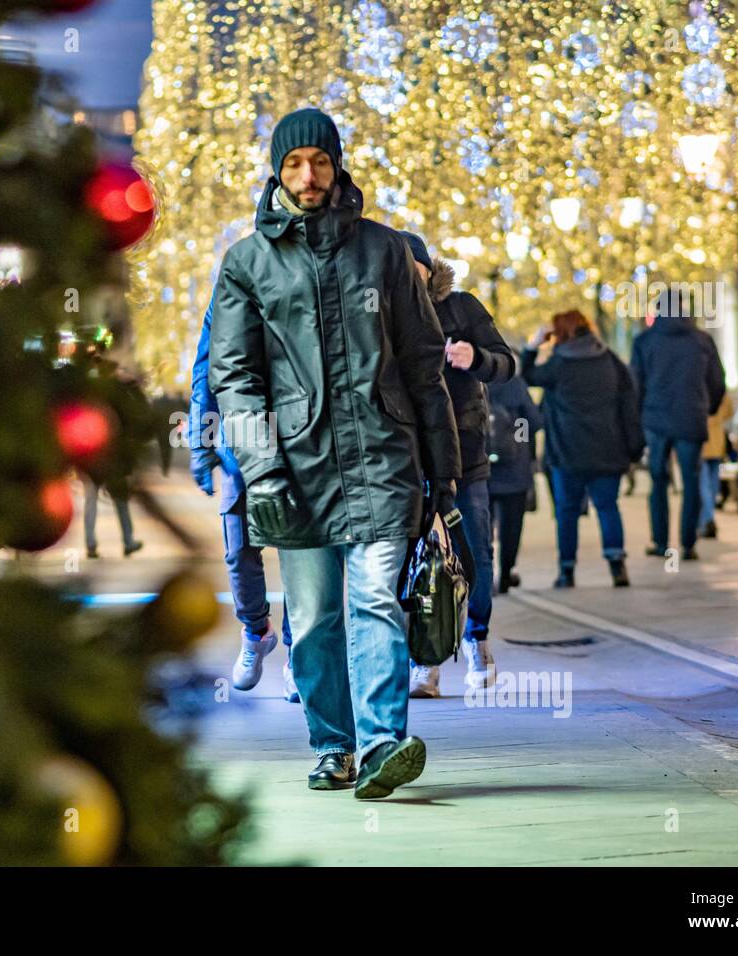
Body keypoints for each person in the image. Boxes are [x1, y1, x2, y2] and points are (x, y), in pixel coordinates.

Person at [209, 108, 460, 798]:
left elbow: (424, 363)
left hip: (383, 457)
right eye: (294, 164)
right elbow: (236, 377)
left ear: (337, 165)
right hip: (293, 468)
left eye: (319, 161)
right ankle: (333, 745)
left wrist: (446, 473)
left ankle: (383, 743)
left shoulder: (384, 252)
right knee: (315, 617)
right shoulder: (247, 263)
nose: (308, 175)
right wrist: (259, 470)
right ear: (277, 172)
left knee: (378, 597)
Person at [400, 239, 514, 697]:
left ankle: (477, 641)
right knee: (411, 562)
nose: (408, 276)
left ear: (429, 269)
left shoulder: (462, 307)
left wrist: (477, 358)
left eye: (414, 267)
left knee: (473, 553)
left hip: (465, 457)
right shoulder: (386, 313)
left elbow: (507, 365)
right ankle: (424, 659)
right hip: (407, 460)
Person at [190, 295, 297, 703]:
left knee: (298, 553)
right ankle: (256, 633)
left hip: (296, 444)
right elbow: (204, 372)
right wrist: (201, 445)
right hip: (240, 444)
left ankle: (298, 656)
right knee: (238, 550)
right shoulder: (228, 295)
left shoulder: (300, 278)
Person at [523, 310, 643, 588]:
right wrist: (633, 447)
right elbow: (629, 405)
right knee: (607, 506)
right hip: (609, 449)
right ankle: (617, 565)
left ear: (560, 334)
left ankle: (567, 571)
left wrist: (533, 345)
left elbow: (527, 376)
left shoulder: (558, 365)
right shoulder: (610, 360)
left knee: (567, 512)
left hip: (567, 452)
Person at [629, 291, 726, 562]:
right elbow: (717, 381)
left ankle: (661, 542)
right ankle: (688, 543)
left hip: (656, 419)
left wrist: (638, 417)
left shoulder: (644, 341)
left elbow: (635, 383)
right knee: (691, 479)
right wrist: (708, 408)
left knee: (658, 480)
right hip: (691, 417)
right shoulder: (702, 341)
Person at [66, 329, 146, 559]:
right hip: (112, 452)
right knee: (120, 498)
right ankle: (128, 541)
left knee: (91, 498)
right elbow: (128, 417)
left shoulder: (83, 385)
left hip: (90, 449)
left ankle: (91, 543)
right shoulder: (116, 384)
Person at [485, 362, 542, 593]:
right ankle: (506, 573)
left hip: (480, 471)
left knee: (481, 527)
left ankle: (483, 573)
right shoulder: (515, 385)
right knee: (511, 526)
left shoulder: (473, 382)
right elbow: (534, 422)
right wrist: (518, 436)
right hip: (514, 472)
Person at [699, 393, 734, 539]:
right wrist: (716, 419)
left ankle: (707, 520)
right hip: (717, 438)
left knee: (703, 483)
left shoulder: (697, 381)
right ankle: (709, 515)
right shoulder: (718, 385)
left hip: (700, 438)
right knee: (713, 483)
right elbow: (729, 410)